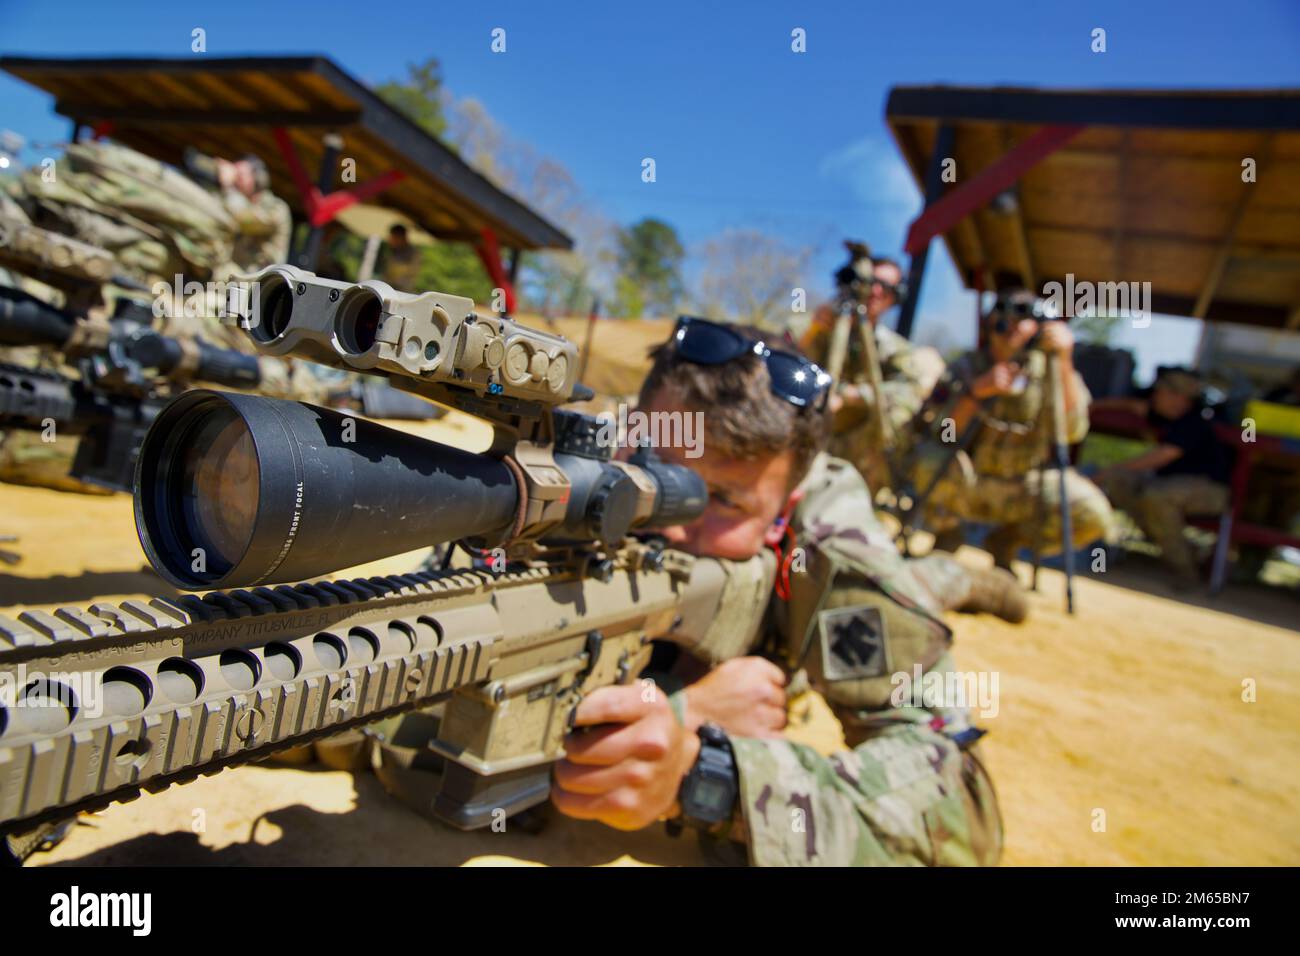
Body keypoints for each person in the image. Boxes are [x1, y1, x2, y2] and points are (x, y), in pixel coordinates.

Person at [547, 316, 1026, 865]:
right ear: (633, 433)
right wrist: (692, 705)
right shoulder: (581, 463)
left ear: (784, 513)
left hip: (822, 587)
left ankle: (963, 578)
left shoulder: (829, 545)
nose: (672, 523)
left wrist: (711, 775)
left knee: (924, 583)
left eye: (724, 500)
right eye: (658, 470)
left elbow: (961, 809)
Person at [915, 290, 1113, 570]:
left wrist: (1065, 360)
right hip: (968, 484)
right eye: (1004, 319)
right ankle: (947, 533)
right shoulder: (966, 367)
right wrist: (973, 395)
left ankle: (1008, 541)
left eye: (1024, 319)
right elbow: (942, 433)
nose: (1013, 327)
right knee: (927, 459)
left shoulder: (1053, 372)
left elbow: (1071, 431)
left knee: (1091, 513)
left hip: (1024, 489)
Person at [798, 244, 931, 494]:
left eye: (887, 288)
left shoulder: (894, 348)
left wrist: (850, 395)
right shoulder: (817, 324)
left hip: (860, 447)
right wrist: (814, 330)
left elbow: (910, 391)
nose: (875, 291)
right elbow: (782, 361)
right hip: (809, 433)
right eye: (870, 281)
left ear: (896, 297)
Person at [1095, 369, 1231, 586]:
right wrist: (1092, 405)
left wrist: (1109, 470)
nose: (1155, 397)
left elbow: (1163, 456)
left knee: (1156, 496)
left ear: (1181, 398)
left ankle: (1186, 573)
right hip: (1167, 485)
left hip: (1210, 490)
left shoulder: (1194, 421)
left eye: (1161, 392)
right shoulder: (1164, 415)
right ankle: (1189, 552)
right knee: (1120, 481)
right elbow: (1131, 405)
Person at [380, 224, 422, 292]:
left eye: (393, 238)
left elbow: (410, 275)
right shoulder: (393, 253)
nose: (390, 240)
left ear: (401, 237)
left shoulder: (413, 254)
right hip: (389, 289)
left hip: (402, 292)